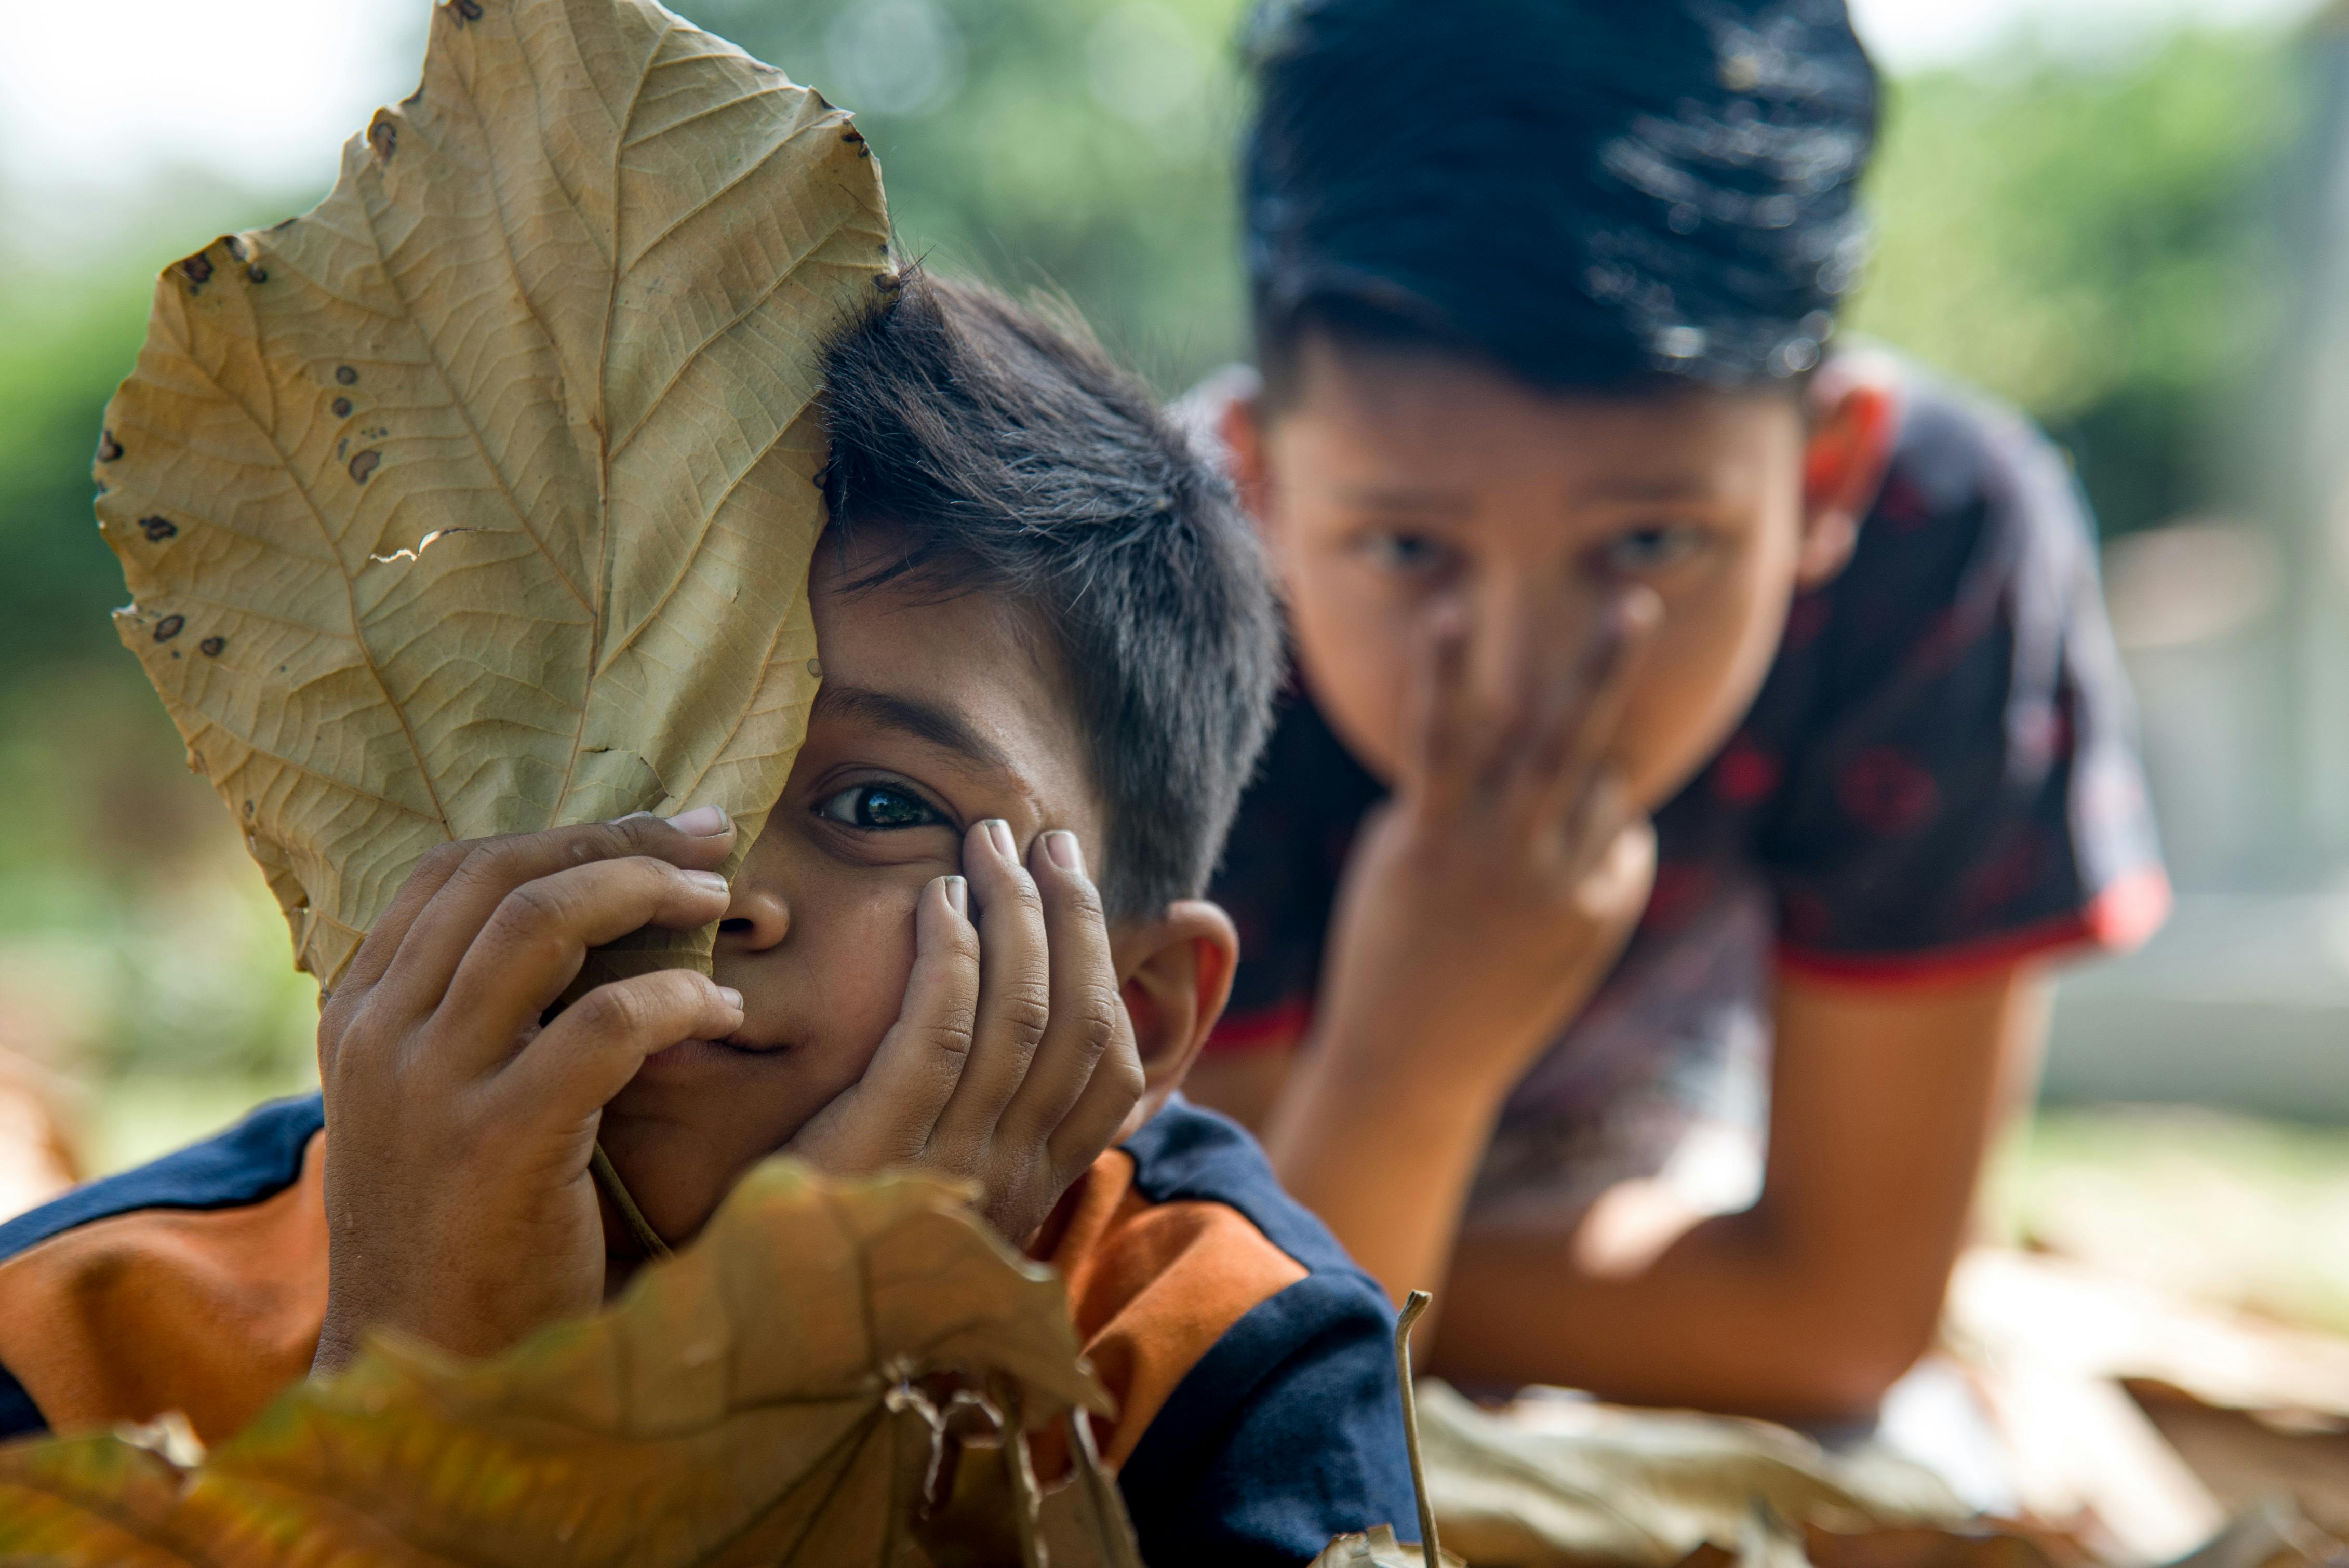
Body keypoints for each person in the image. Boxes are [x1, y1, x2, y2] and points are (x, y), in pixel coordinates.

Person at [0, 274, 1417, 1564]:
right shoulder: (78, 1336)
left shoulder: (1214, 1345)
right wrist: (405, 1401)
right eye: (605, 762)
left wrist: (832, 1404)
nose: (710, 887)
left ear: (1141, 1005)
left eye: (875, 806)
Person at [1184, 0, 2169, 1421]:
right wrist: (1409, 1066)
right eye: (1408, 549)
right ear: (1259, 481)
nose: (1519, 678)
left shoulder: (1932, 554)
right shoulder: (1157, 599)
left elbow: (1839, 1320)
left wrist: (1306, 1239)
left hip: (1634, 1175)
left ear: (1827, 477)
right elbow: (1232, 1389)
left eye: (1648, 544)